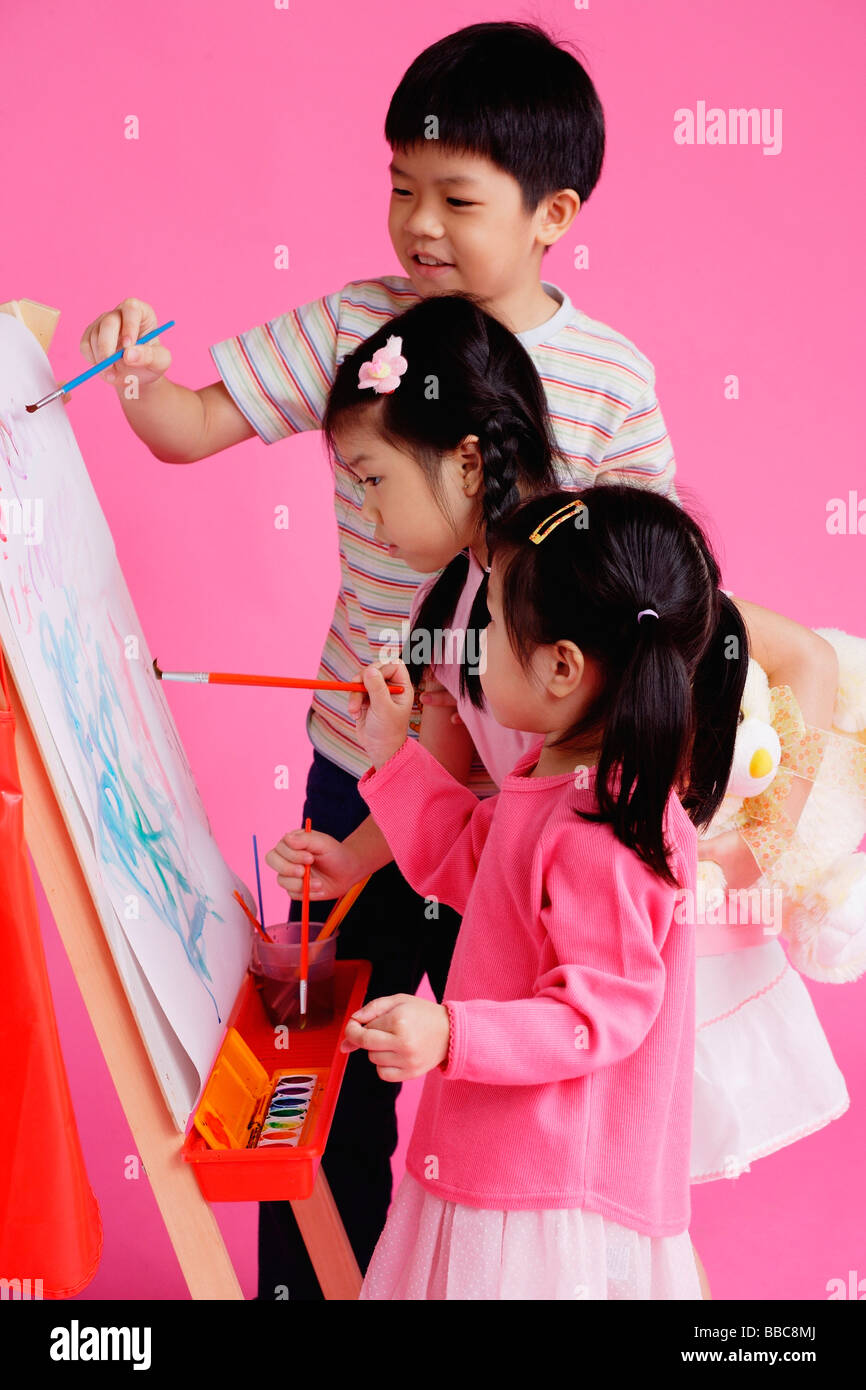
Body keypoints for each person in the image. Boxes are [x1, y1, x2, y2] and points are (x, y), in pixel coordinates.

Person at [339, 481, 748, 1299]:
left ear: (562, 665)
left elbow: (595, 1018)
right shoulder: (555, 776)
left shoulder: (608, 827)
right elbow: (468, 857)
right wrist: (395, 754)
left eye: (489, 622)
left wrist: (450, 1033)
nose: (475, 642)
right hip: (501, 1158)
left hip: (547, 1192)